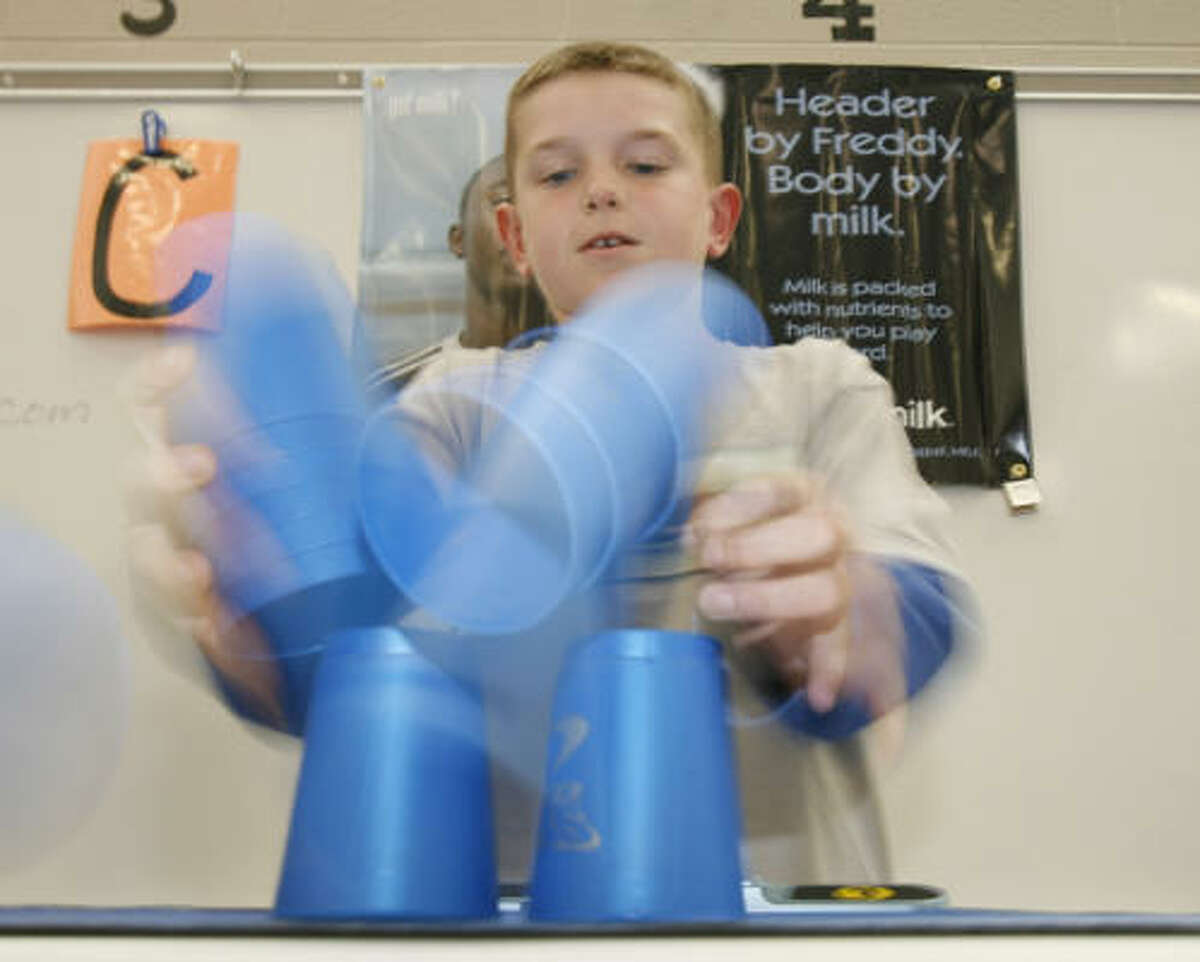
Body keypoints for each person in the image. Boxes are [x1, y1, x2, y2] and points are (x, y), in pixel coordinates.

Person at [127, 41, 972, 886]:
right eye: (558, 174)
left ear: (719, 219)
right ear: (514, 236)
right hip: (516, 911)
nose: (602, 190)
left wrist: (843, 616)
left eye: (645, 164)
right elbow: (348, 663)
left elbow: (914, 616)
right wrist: (254, 622)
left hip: (776, 915)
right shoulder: (454, 404)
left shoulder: (817, 387)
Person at [363, 155, 553, 394]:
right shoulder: (396, 391)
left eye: (539, 209)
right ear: (458, 240)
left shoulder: (588, 385)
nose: (520, 225)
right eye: (503, 200)